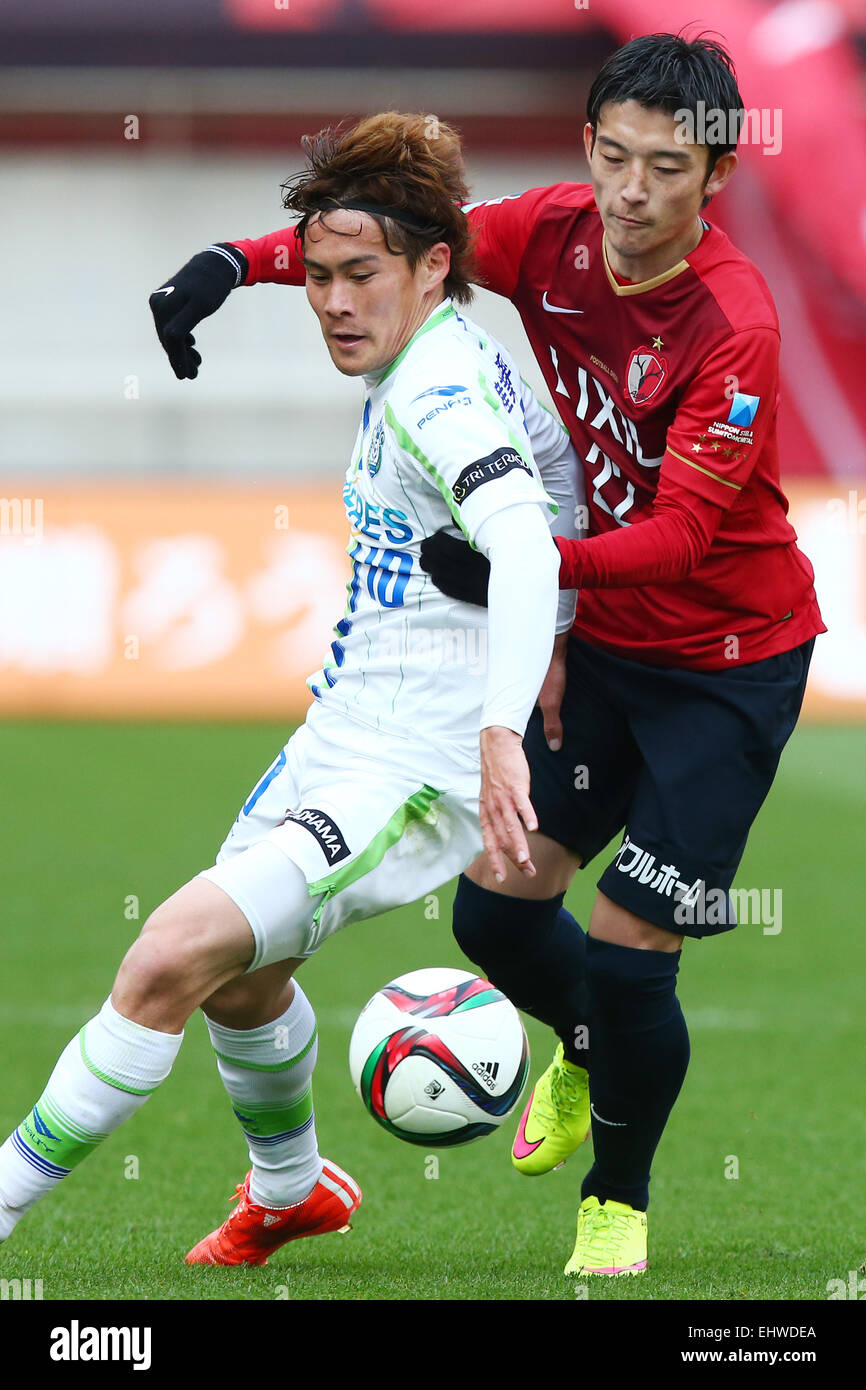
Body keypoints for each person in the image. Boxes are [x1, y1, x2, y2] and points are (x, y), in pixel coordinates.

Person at [145, 33, 826, 1280]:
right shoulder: (551, 236)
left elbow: (678, 538)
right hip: (607, 642)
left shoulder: (732, 324)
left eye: (663, 168)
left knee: (627, 940)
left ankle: (613, 1197)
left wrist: (529, 570)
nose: (629, 191)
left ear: (714, 174)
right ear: (587, 149)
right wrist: (225, 266)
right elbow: (389, 244)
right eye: (611, 155)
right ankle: (581, 1047)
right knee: (495, 909)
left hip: (725, 663)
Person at [0, 113, 583, 1268]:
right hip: (340, 730)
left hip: (411, 767)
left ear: (432, 264)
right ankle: (290, 1188)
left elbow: (523, 541)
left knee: (168, 954)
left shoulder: (438, 391)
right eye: (313, 275)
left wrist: (500, 731)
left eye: (357, 274)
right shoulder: (433, 346)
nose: (328, 300)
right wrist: (230, 263)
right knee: (242, 980)